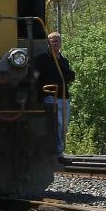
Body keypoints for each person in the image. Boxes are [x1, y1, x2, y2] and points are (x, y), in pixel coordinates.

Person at [36, 31, 75, 162]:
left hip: (63, 97)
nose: (55, 43)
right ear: (48, 43)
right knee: (57, 123)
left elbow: (69, 76)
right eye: (52, 41)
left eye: (57, 41)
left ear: (60, 43)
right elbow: (37, 78)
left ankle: (60, 151)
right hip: (50, 96)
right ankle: (57, 153)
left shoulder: (63, 60)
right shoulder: (41, 59)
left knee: (64, 125)